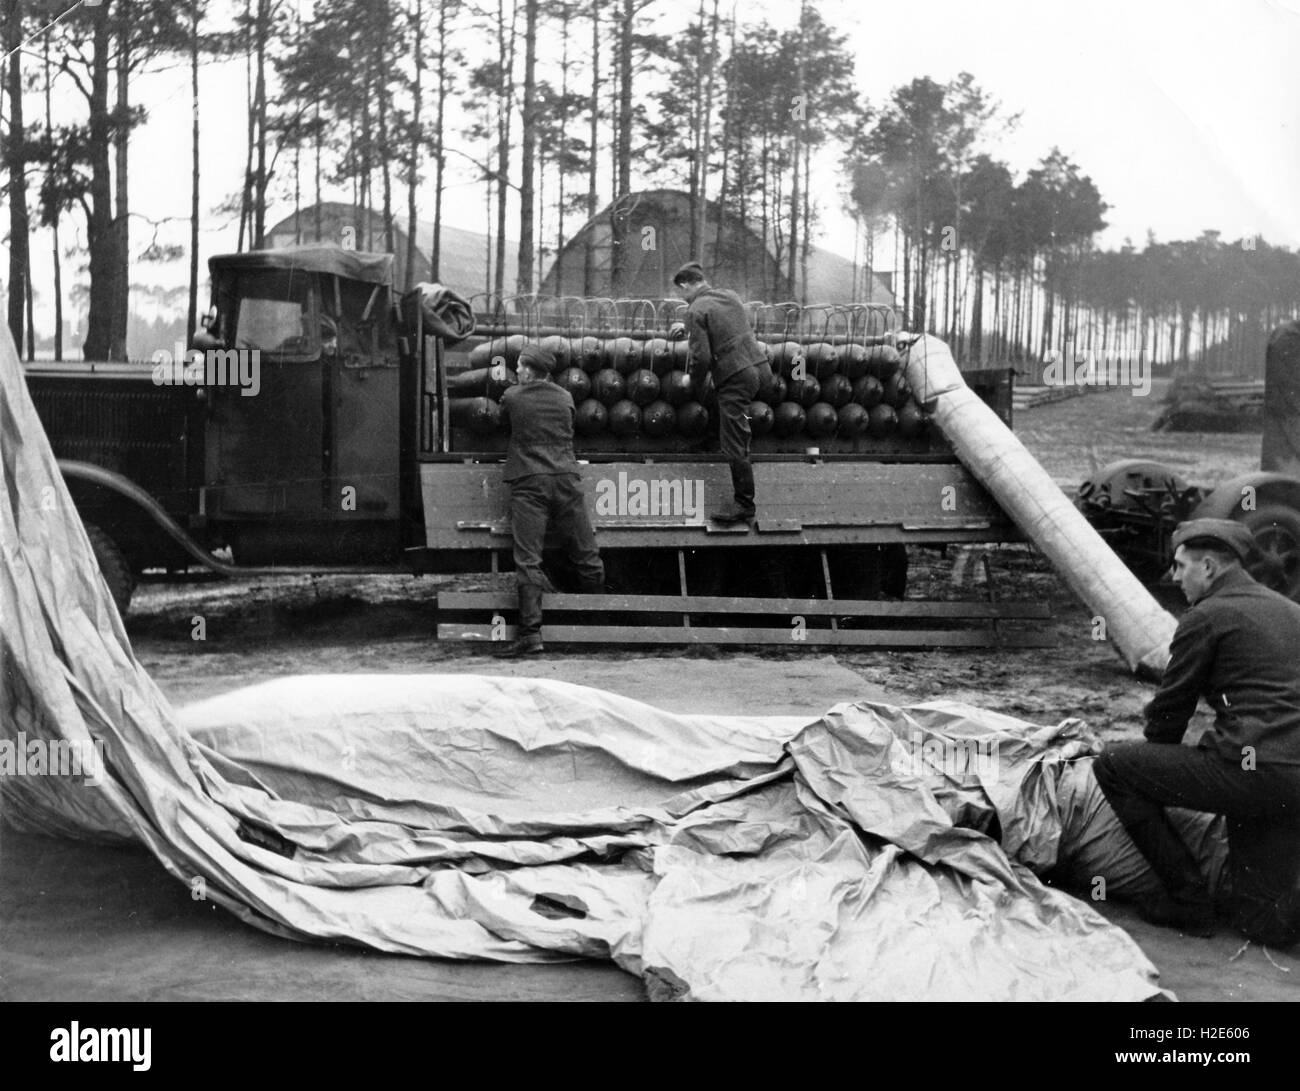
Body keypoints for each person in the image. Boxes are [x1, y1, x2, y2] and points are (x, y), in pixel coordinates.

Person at [1093, 518, 1300, 944]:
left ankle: (1188, 899)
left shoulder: (1205, 616)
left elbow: (1170, 714)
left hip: (1251, 771)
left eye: (1180, 565)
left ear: (1208, 568)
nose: (1174, 576)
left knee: (1114, 765)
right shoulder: (1291, 611)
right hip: (1289, 779)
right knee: (1260, 921)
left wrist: (1159, 767)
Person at [497, 344, 605, 655]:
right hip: (565, 478)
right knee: (586, 552)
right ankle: (599, 627)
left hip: (530, 481)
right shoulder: (566, 397)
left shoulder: (512, 396)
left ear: (531, 370)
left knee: (528, 559)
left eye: (520, 366)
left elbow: (501, 422)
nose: (517, 371)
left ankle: (531, 635)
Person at [672, 261, 772, 524]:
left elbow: (702, 358)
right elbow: (723, 321)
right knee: (720, 404)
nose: (682, 298)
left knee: (734, 439)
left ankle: (744, 505)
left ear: (686, 285)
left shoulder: (695, 309)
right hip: (760, 368)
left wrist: (691, 379)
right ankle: (712, 440)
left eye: (681, 292)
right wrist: (688, 328)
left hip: (736, 376)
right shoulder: (729, 295)